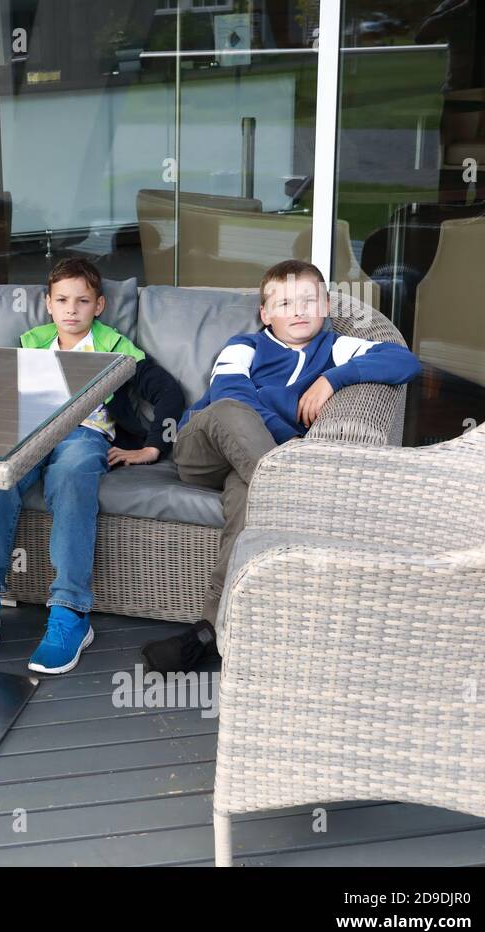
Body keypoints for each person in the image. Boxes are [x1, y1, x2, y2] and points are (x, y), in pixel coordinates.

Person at [141, 258, 421, 674]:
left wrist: (334, 379)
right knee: (234, 409)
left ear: (326, 307)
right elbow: (230, 394)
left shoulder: (334, 350)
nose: (298, 310)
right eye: (285, 303)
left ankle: (208, 631)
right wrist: (288, 445)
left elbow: (405, 363)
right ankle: (305, 503)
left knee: (247, 498)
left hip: (252, 464)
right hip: (202, 447)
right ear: (266, 314)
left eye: (309, 300)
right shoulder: (246, 345)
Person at [0, 257, 185, 674]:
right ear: (48, 303)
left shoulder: (115, 348)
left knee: (71, 474)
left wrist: (155, 448)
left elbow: (169, 392)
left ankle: (70, 613)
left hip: (85, 436)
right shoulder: (31, 344)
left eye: (82, 301)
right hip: (28, 435)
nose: (71, 309)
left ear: (98, 306)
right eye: (62, 299)